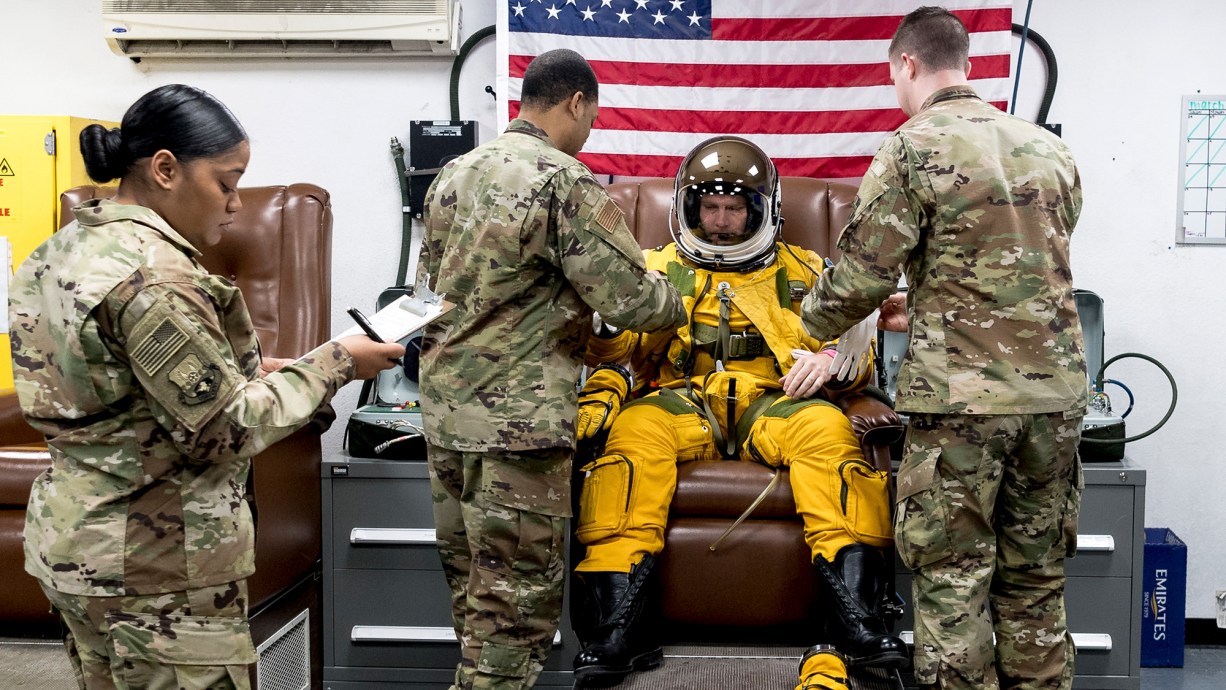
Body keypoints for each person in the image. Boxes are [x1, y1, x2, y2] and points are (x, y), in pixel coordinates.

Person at [7, 84, 404, 690]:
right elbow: (225, 428)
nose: (236, 203)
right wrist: (338, 362)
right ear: (166, 169)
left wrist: (256, 369)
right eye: (226, 181)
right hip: (157, 573)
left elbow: (114, 387)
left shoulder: (60, 252)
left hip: (74, 548)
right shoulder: (154, 278)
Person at [800, 8, 1087, 690]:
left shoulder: (911, 147)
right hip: (1054, 399)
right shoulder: (1047, 148)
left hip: (961, 407)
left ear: (906, 65)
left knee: (954, 581)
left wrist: (812, 318)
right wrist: (925, 302)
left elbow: (862, 277)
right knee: (1036, 581)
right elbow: (1022, 258)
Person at [570, 135, 906, 689]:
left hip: (776, 401)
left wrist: (830, 361)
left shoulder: (805, 270)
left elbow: (858, 350)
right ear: (688, 209)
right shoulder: (652, 269)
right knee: (631, 438)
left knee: (827, 433)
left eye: (733, 208)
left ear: (760, 212)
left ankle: (859, 623)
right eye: (709, 207)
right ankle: (617, 627)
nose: (721, 221)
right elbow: (611, 351)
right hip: (679, 398)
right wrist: (604, 320)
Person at [417, 48, 686, 690]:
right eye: (591, 116)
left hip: (447, 419)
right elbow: (631, 299)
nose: (590, 128)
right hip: (520, 430)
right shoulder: (562, 181)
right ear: (576, 103)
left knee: (476, 606)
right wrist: (676, 298)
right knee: (514, 618)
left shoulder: (452, 174)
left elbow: (428, 289)